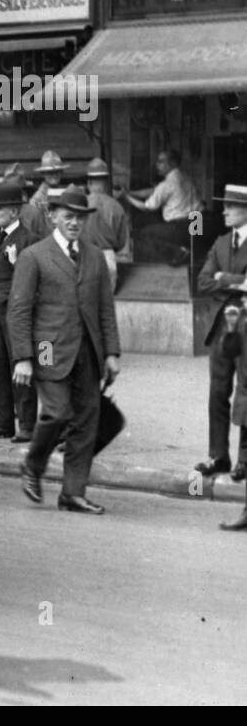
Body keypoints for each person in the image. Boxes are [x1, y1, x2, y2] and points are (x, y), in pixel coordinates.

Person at [10, 186, 121, 515]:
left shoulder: (95, 255)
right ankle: (33, 464)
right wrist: (24, 358)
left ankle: (72, 493)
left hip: (87, 350)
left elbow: (105, 310)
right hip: (46, 348)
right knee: (57, 412)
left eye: (80, 218)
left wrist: (112, 352)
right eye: (68, 217)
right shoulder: (34, 256)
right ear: (53, 216)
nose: (74, 223)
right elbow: (18, 311)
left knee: (87, 421)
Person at [0, 179, 40, 442]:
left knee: (20, 367)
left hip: (18, 313)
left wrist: (17, 263)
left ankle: (27, 426)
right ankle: (2, 422)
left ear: (14, 210)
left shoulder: (28, 239)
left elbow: (34, 280)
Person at [196, 183, 247, 485]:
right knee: (218, 391)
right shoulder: (220, 243)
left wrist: (222, 277)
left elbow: (214, 279)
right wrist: (239, 283)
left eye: (230, 206)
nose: (224, 211)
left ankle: (244, 460)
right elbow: (202, 281)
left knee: (246, 391)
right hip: (221, 327)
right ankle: (219, 456)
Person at [120, 149, 202, 266]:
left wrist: (126, 197)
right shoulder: (184, 176)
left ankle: (179, 251)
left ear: (172, 164)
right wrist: (130, 192)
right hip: (198, 222)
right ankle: (185, 250)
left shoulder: (167, 184)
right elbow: (154, 191)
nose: (157, 165)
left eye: (161, 161)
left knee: (144, 233)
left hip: (183, 226)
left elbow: (147, 207)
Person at [81, 158, 129, 292]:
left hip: (83, 258)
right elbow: (121, 243)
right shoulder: (117, 207)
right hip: (108, 260)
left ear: (88, 182)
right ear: (107, 182)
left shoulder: (80, 205)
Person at [29, 150, 65, 215]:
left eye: (57, 172)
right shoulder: (37, 199)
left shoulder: (65, 193)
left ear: (61, 172)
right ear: (43, 174)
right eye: (50, 173)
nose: (54, 175)